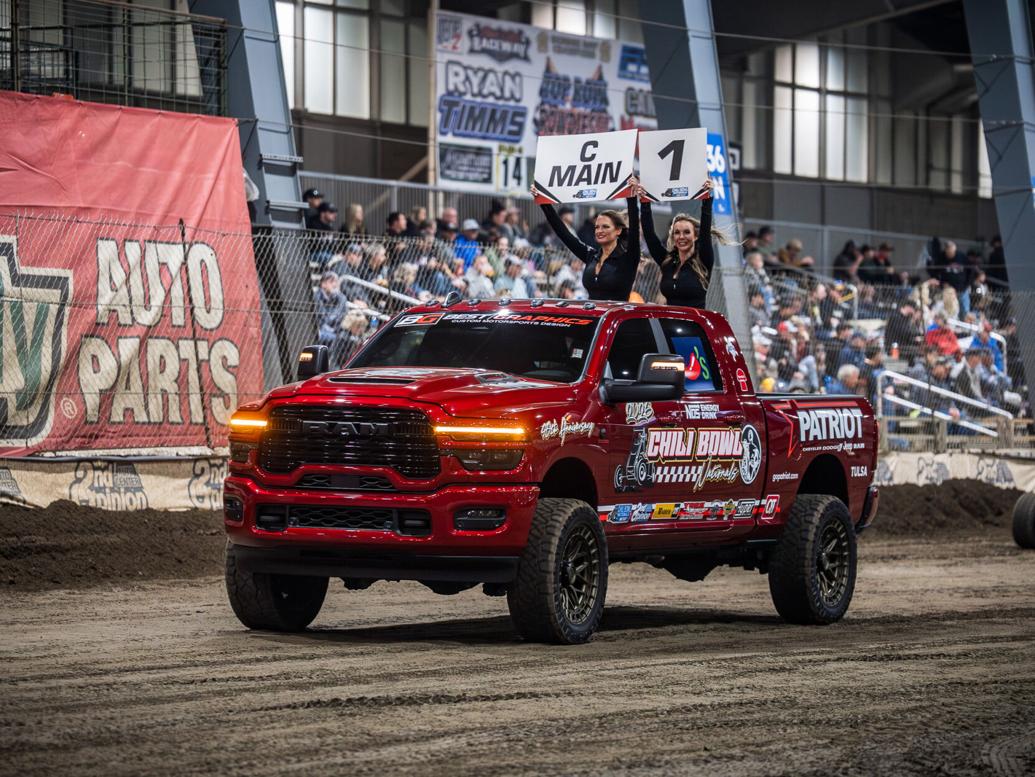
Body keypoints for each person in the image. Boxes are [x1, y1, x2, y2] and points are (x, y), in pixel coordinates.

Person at [531, 180, 641, 302]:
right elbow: (564, 234)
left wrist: (631, 197)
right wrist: (544, 202)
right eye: (597, 227)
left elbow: (635, 228)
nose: (599, 231)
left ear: (618, 231)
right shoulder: (591, 256)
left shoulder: (628, 258)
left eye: (605, 227)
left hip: (616, 314)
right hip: (591, 313)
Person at [638, 179, 724, 309]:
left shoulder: (703, 260)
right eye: (677, 232)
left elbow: (705, 233)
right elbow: (650, 236)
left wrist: (707, 199)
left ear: (695, 236)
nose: (681, 237)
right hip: (668, 321)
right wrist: (645, 202)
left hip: (693, 321)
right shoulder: (668, 262)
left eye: (687, 232)